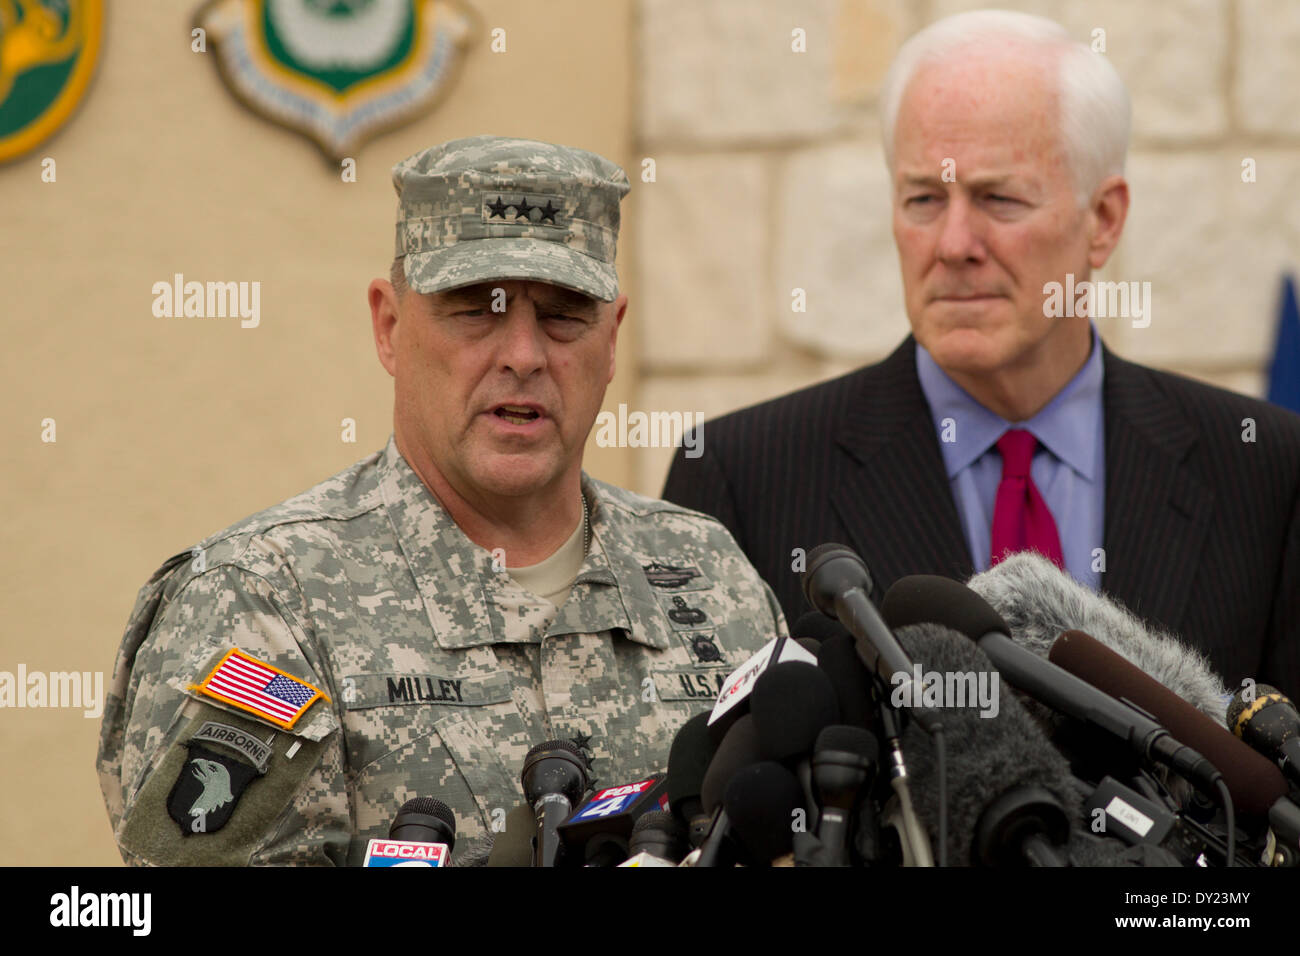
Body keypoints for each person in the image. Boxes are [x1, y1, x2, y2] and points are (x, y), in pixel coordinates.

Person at [97, 136, 786, 866]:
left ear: (612, 340)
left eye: (563, 314)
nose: (523, 354)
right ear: (389, 327)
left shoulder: (711, 575)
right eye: (474, 311)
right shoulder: (263, 603)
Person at [662, 10, 1300, 696]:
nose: (953, 243)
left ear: (1104, 221)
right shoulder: (743, 480)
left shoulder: (1264, 467)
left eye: (998, 198)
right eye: (923, 199)